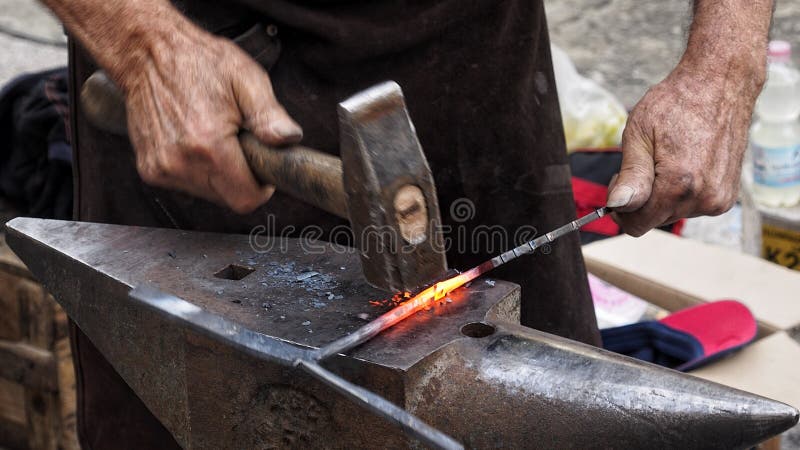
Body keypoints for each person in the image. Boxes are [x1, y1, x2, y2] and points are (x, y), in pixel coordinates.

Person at [40, 0, 774, 448]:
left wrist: (724, 63)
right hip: (196, 77)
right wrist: (140, 41)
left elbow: (727, 55)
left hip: (476, 67)